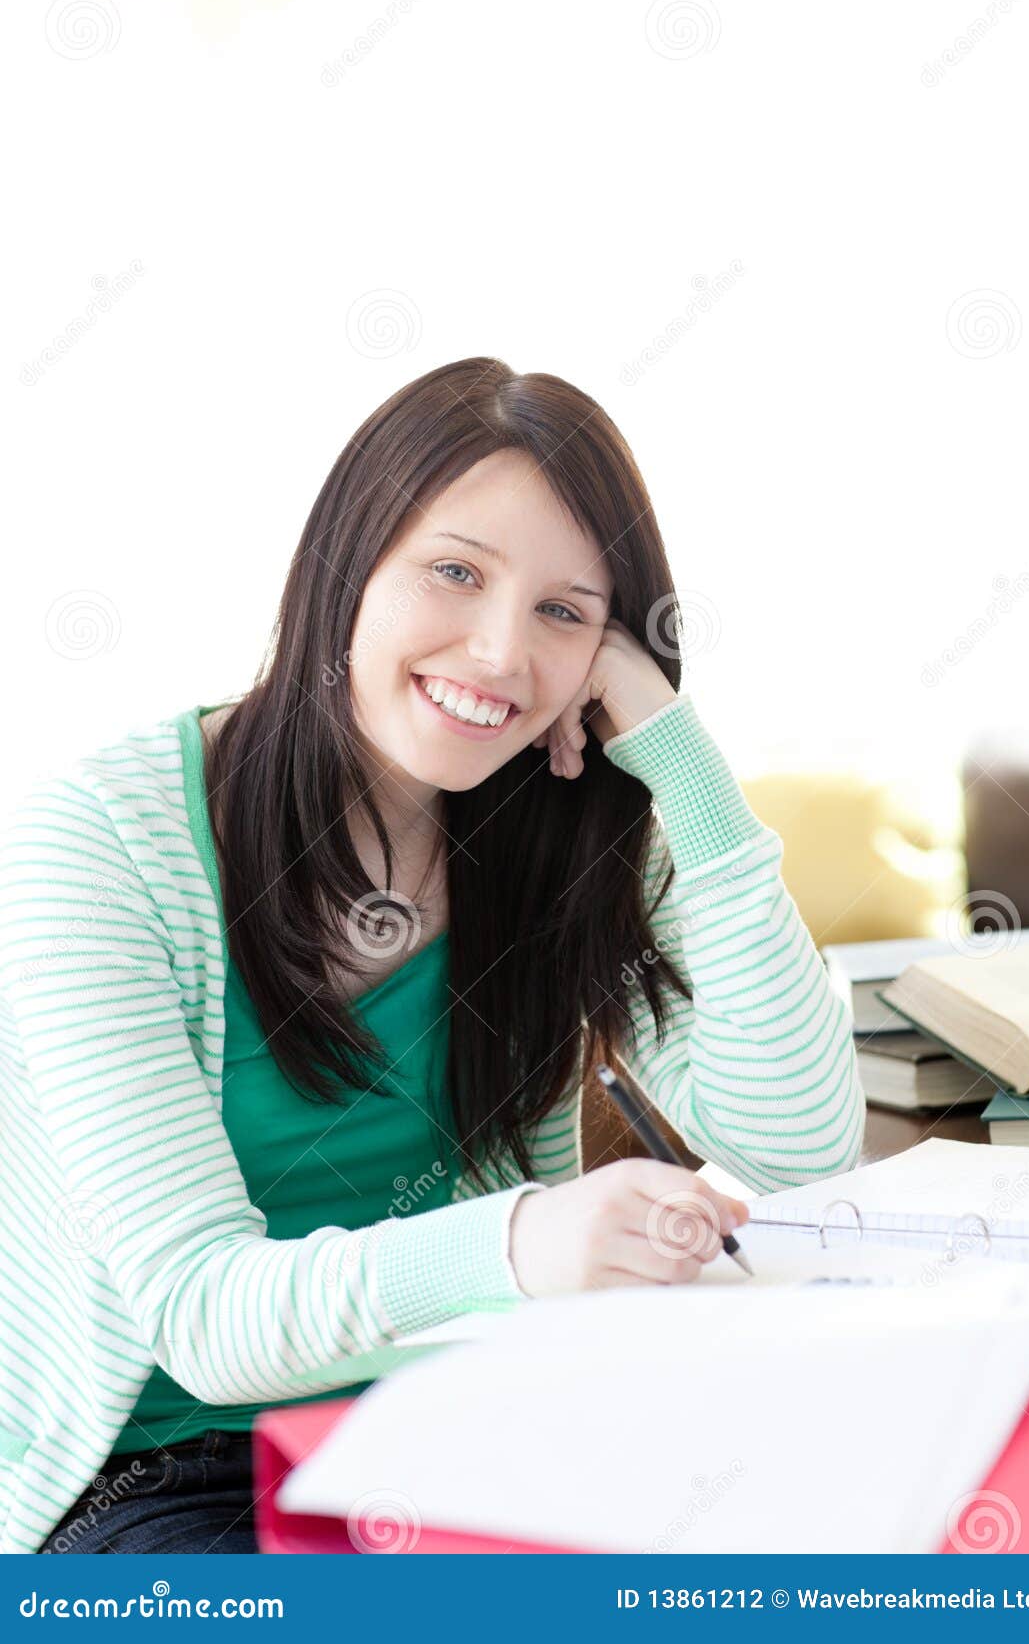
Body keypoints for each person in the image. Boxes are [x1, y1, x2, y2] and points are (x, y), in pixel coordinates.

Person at [0, 356, 864, 1553]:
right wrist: (522, 1241)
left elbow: (797, 1142)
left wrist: (682, 767)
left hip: (477, 1412)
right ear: (344, 567)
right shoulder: (97, 841)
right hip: (166, 1472)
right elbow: (203, 1317)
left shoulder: (559, 828)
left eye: (565, 612)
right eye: (455, 572)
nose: (502, 654)